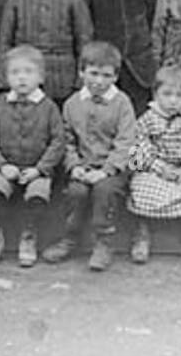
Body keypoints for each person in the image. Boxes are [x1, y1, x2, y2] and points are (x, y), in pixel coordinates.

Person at [43, 40, 138, 271]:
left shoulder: (122, 103)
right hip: (83, 166)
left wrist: (106, 170)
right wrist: (74, 165)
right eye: (93, 73)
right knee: (76, 191)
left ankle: (104, 242)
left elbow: (126, 142)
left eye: (106, 75)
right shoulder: (72, 104)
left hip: (112, 167)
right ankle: (70, 238)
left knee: (105, 191)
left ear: (115, 77)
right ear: (81, 72)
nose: (98, 81)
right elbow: (66, 140)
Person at [0, 45, 65, 268]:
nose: (22, 78)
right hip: (6, 167)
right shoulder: (0, 106)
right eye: (15, 73)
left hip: (37, 170)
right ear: (6, 77)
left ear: (40, 76)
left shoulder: (49, 108)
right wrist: (1, 165)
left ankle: (29, 235)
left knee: (38, 195)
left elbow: (58, 141)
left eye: (28, 72)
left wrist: (40, 168)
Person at [127, 65, 181, 264]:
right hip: (156, 169)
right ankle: (142, 235)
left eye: (179, 95)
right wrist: (159, 167)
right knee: (139, 185)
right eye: (166, 94)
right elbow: (138, 148)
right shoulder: (147, 119)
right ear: (155, 93)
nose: (173, 101)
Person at [0, 0, 92, 106]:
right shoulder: (15, 0)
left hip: (64, 81)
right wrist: (3, 82)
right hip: (24, 78)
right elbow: (4, 42)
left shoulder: (74, 0)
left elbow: (84, 41)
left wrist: (80, 83)